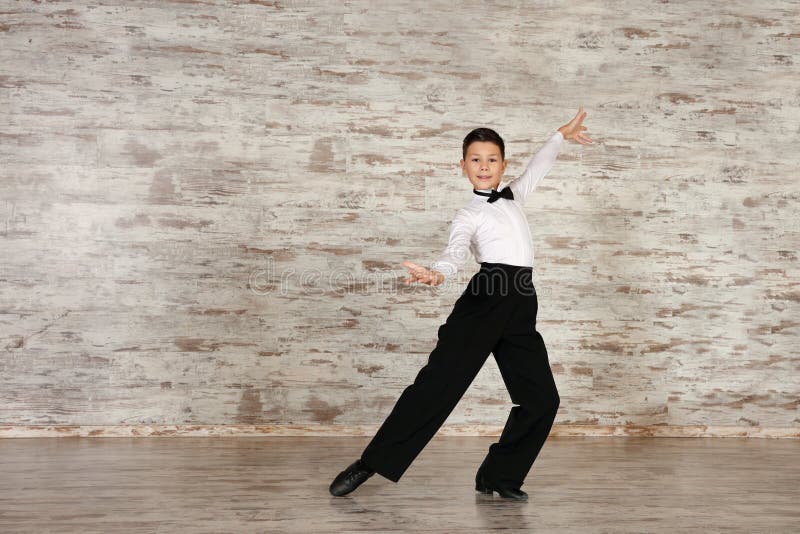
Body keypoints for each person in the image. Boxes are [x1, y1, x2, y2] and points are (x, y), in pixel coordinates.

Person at [330, 107, 593, 499]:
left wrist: (559, 135)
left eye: (491, 160)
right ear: (463, 166)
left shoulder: (515, 196)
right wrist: (437, 273)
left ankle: (498, 477)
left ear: (503, 165)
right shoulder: (468, 214)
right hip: (485, 300)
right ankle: (370, 462)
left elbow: (539, 166)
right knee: (437, 387)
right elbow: (454, 253)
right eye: (475, 160)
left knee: (542, 399)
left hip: (522, 301)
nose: (484, 167)